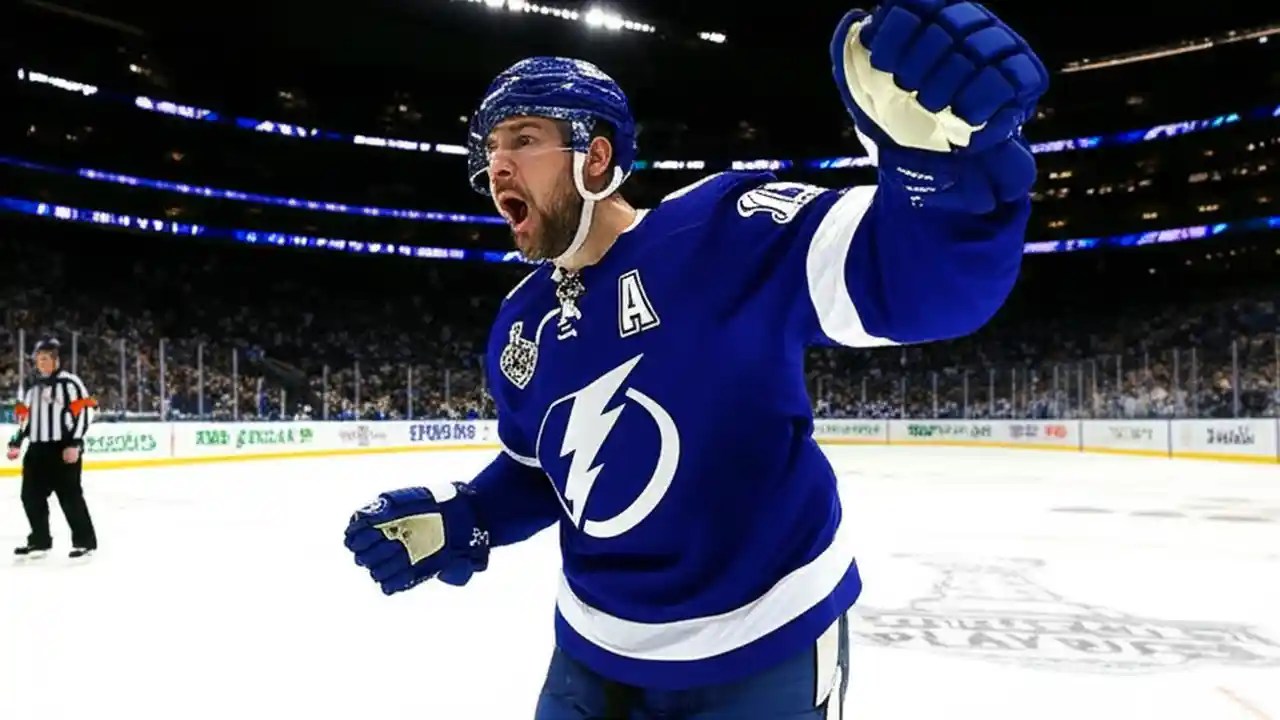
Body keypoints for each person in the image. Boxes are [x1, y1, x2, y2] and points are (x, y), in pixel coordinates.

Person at [344, 1, 1048, 716]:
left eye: (523, 139)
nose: (496, 166)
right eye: (489, 150)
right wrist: (467, 516)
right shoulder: (518, 326)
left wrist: (942, 179)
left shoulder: (720, 230)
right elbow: (543, 473)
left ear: (595, 157)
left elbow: (919, 288)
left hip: (761, 645)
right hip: (591, 651)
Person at [7, 337, 99, 559]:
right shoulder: (29, 385)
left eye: (45, 358)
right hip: (37, 449)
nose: (41, 363)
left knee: (70, 496)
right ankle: (40, 540)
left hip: (63, 448)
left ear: (56, 360)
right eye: (38, 359)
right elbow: (24, 418)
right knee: (30, 495)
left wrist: (74, 443)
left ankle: (84, 542)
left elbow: (86, 411)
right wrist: (17, 440)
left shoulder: (70, 383)